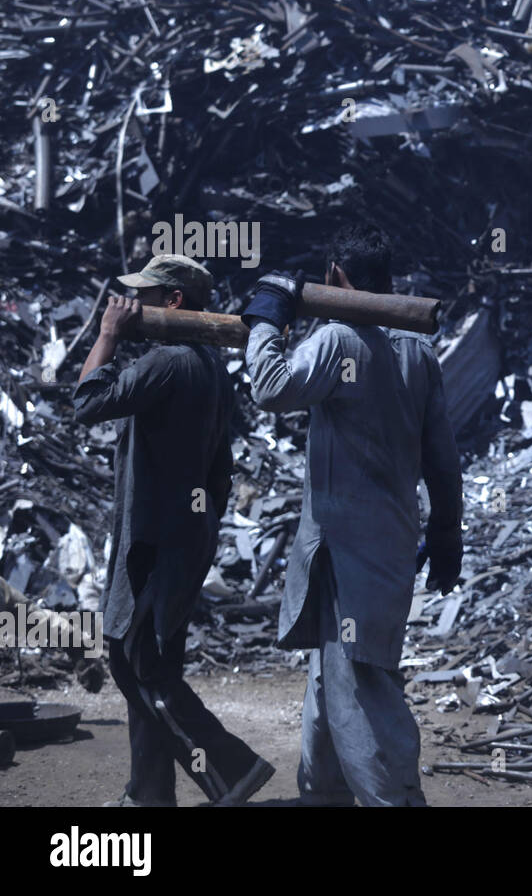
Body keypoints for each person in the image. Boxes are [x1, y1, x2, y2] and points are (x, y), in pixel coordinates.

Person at [243, 224, 462, 807]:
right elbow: (443, 460)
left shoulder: (338, 340)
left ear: (337, 277)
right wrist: (446, 534)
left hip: (348, 550)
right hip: (383, 547)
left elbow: (268, 385)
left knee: (361, 688)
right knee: (331, 677)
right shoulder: (418, 350)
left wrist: (267, 314)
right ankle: (325, 797)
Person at [74, 254, 273, 807]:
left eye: (146, 297)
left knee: (136, 663)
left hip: (156, 542)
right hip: (183, 539)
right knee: (150, 661)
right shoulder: (208, 363)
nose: (134, 306)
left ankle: (232, 769)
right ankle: (148, 794)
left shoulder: (169, 360)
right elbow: (221, 468)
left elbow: (87, 402)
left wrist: (108, 335)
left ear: (174, 302)